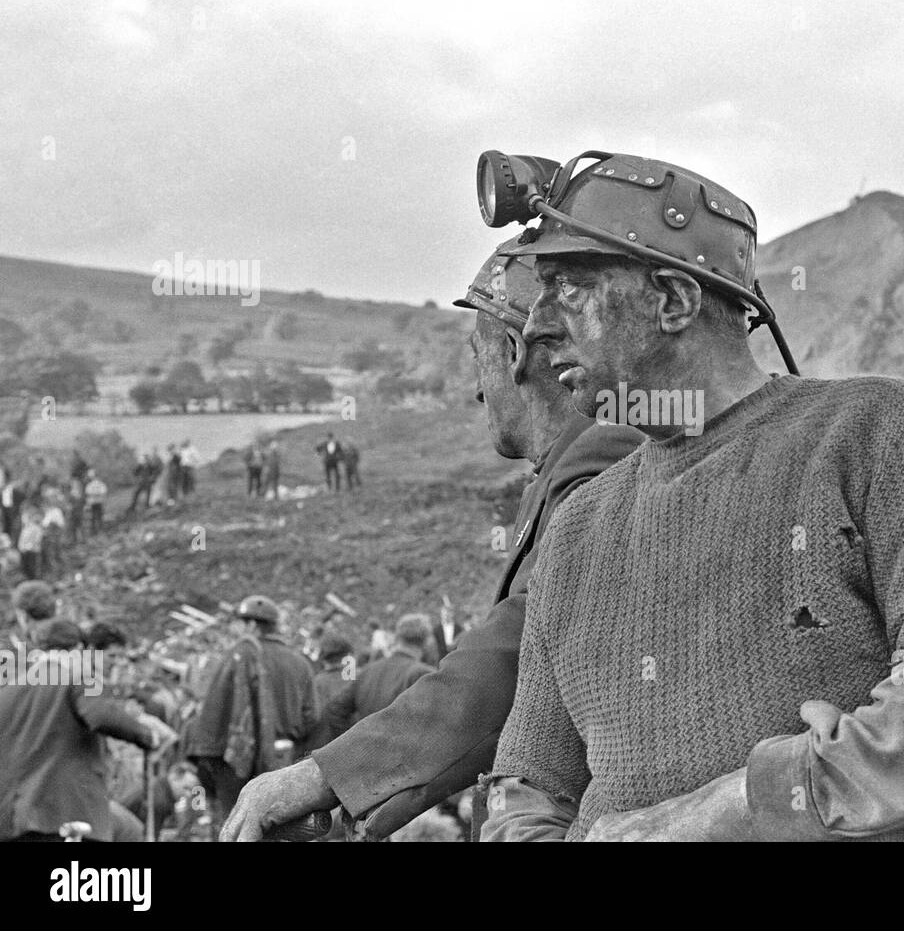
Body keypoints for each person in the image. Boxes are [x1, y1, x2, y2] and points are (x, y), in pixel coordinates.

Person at [480, 150, 904, 842]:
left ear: (673, 299)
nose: (535, 329)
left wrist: (743, 807)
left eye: (570, 289)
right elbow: (529, 793)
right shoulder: (576, 531)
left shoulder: (879, 431)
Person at [220, 242, 643, 842]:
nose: (477, 391)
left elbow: (515, 654)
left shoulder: (601, 456)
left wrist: (324, 778)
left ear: (514, 352)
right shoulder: (567, 468)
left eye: (479, 360)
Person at [0, 618, 176, 842]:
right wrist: (147, 735)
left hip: (12, 822)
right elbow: (100, 715)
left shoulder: (7, 689)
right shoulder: (78, 677)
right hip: (67, 815)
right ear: (79, 650)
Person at [188, 595, 318, 822]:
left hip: (234, 763)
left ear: (251, 625)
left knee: (237, 825)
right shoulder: (301, 664)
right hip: (283, 759)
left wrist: (208, 764)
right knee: (279, 827)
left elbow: (214, 714)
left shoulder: (236, 656)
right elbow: (311, 716)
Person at [320, 614, 436, 740]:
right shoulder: (425, 675)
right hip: (401, 756)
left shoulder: (368, 670)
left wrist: (354, 743)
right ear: (426, 642)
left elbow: (335, 709)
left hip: (366, 753)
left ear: (397, 637)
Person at [16, 503, 43, 581]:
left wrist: (29, 546)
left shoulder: (35, 527)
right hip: (24, 551)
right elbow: (21, 540)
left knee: (32, 569)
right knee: (24, 569)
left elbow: (37, 539)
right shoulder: (25, 528)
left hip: (32, 551)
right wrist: (21, 547)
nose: (23, 519)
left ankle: (34, 581)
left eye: (24, 517)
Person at [84, 470, 107, 536]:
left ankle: (98, 531)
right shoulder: (94, 484)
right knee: (95, 517)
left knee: (97, 517)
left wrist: (94, 494)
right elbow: (102, 492)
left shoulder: (97, 484)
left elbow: (103, 492)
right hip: (95, 503)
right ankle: (95, 531)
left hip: (97, 502)